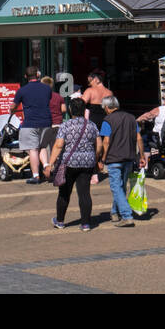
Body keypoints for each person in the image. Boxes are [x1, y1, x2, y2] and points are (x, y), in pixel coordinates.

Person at [45, 96, 100, 230]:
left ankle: (60, 221)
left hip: (69, 163)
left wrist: (50, 164)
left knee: (64, 192)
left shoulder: (66, 125)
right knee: (84, 193)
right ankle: (86, 223)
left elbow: (58, 145)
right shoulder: (92, 125)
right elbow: (99, 145)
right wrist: (96, 159)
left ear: (70, 110)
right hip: (87, 162)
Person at [97, 95, 145, 226]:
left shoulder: (108, 120)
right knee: (121, 187)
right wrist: (142, 156)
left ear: (107, 107)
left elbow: (106, 141)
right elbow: (139, 138)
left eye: (104, 108)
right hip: (129, 158)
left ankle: (126, 215)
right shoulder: (131, 118)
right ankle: (114, 212)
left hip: (113, 159)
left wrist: (102, 159)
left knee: (116, 188)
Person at [10, 67, 55, 183]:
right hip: (46, 121)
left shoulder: (22, 90)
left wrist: (12, 110)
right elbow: (48, 99)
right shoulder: (47, 88)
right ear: (38, 75)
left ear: (26, 76)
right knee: (42, 146)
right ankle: (46, 166)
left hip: (30, 122)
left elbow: (13, 106)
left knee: (33, 150)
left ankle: (35, 176)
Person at [81, 71, 114, 185]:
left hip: (92, 121)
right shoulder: (109, 92)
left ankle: (93, 173)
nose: (89, 83)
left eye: (90, 80)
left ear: (96, 79)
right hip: (106, 121)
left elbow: (80, 104)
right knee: (103, 144)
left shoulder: (90, 91)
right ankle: (100, 165)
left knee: (91, 146)